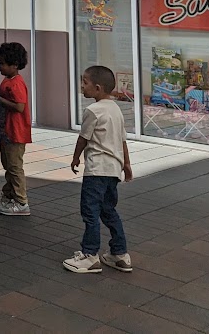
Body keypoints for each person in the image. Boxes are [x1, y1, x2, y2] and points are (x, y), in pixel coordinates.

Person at [64, 65, 134, 274]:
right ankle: (120, 254)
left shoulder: (93, 111)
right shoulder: (116, 110)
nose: (82, 86)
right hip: (113, 170)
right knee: (108, 210)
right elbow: (122, 140)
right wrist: (127, 165)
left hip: (96, 170)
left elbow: (83, 138)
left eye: (84, 82)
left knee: (90, 212)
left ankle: (90, 255)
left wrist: (75, 158)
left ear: (97, 88)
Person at [0, 42, 32, 216]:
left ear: (15, 65)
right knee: (8, 165)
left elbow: (19, 106)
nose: (0, 66)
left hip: (15, 132)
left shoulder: (16, 83)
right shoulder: (8, 80)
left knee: (15, 167)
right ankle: (9, 196)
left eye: (3, 63)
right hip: (7, 131)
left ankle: (21, 201)